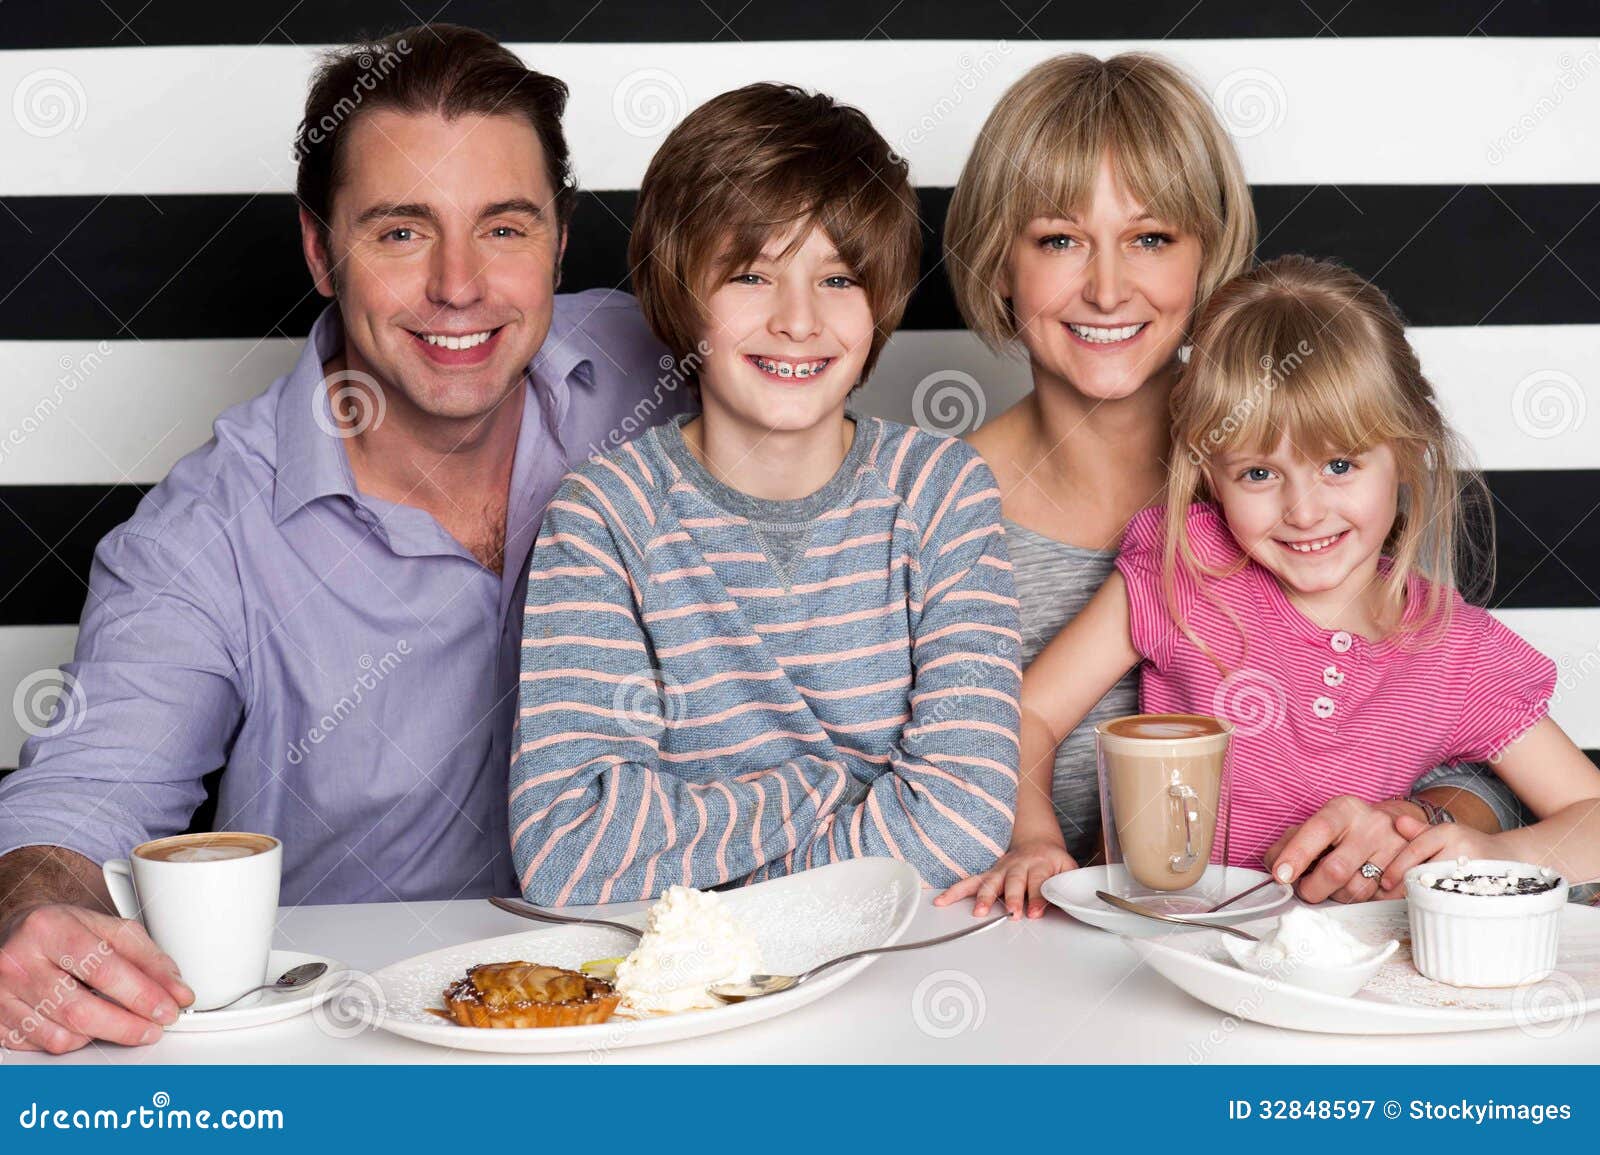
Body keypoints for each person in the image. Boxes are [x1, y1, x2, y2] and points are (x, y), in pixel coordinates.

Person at [0, 25, 690, 1054]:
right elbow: (80, 800)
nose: (460, 286)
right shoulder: (207, 539)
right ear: (322, 251)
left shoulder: (673, 366)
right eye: (401, 233)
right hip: (365, 1059)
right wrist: (24, 916)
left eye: (504, 228)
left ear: (556, 238)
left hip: (687, 1019)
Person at [932, 53, 1523, 920]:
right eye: (1059, 239)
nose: (1105, 287)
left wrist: (1418, 827)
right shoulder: (930, 508)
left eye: (1152, 237)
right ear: (997, 261)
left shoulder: (1303, 458)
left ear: (1206, 255)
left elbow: (1458, 738)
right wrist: (1028, 841)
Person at [954, 254, 1600, 913]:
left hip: (1342, 979)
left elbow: (1592, 813)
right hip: (1163, 948)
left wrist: (1499, 854)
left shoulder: (1456, 649)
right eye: (1259, 474)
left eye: (1340, 464)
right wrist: (1032, 837)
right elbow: (1024, 711)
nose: (1304, 510)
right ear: (1210, 473)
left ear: (1405, 451)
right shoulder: (1186, 567)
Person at [509, 83, 1021, 905]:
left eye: (840, 279)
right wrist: (821, 787)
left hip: (897, 979)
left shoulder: (941, 491)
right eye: (751, 274)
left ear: (880, 302)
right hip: (688, 1002)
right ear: (683, 291)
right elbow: (571, 854)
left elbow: (962, 817)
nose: (797, 320)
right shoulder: (604, 516)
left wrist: (713, 881)